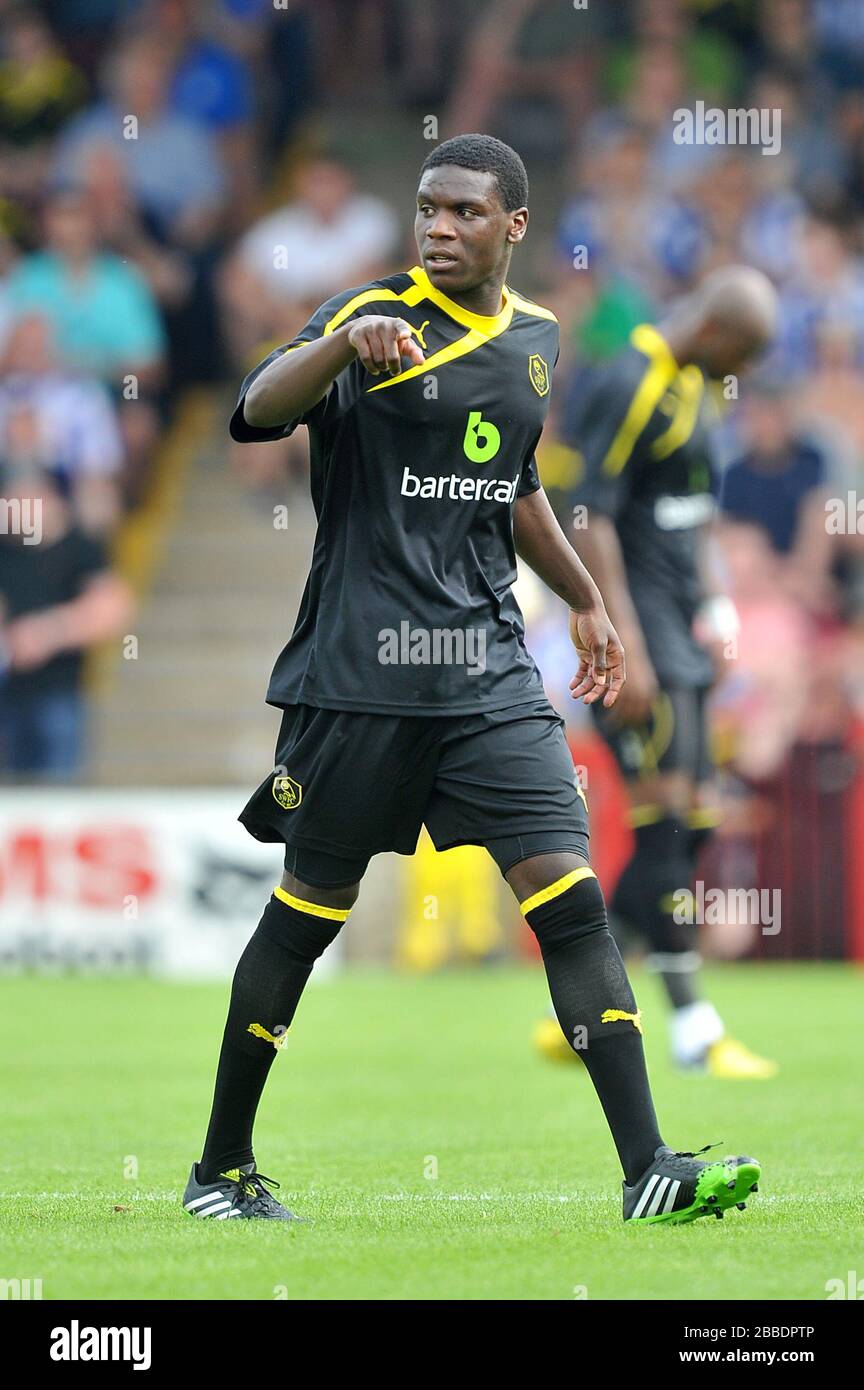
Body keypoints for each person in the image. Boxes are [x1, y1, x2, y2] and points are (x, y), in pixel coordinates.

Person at [183, 135, 761, 1225]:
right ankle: (220, 1168)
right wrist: (344, 347)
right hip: (361, 682)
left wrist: (588, 596)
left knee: (573, 901)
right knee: (307, 920)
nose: (440, 229)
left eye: (463, 213)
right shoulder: (370, 311)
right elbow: (257, 407)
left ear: (514, 227)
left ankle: (649, 1168)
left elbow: (517, 482)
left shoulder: (536, 341)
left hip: (488, 676)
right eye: (427, 211)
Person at [547, 265, 779, 1078]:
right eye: (742, 355)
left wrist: (716, 605)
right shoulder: (627, 383)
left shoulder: (698, 389)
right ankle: (693, 1029)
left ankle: (580, 1003)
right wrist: (624, 643)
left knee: (697, 824)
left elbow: (692, 513)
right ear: (715, 332)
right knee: (669, 830)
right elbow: (589, 514)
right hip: (636, 638)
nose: (743, 375)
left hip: (682, 636)